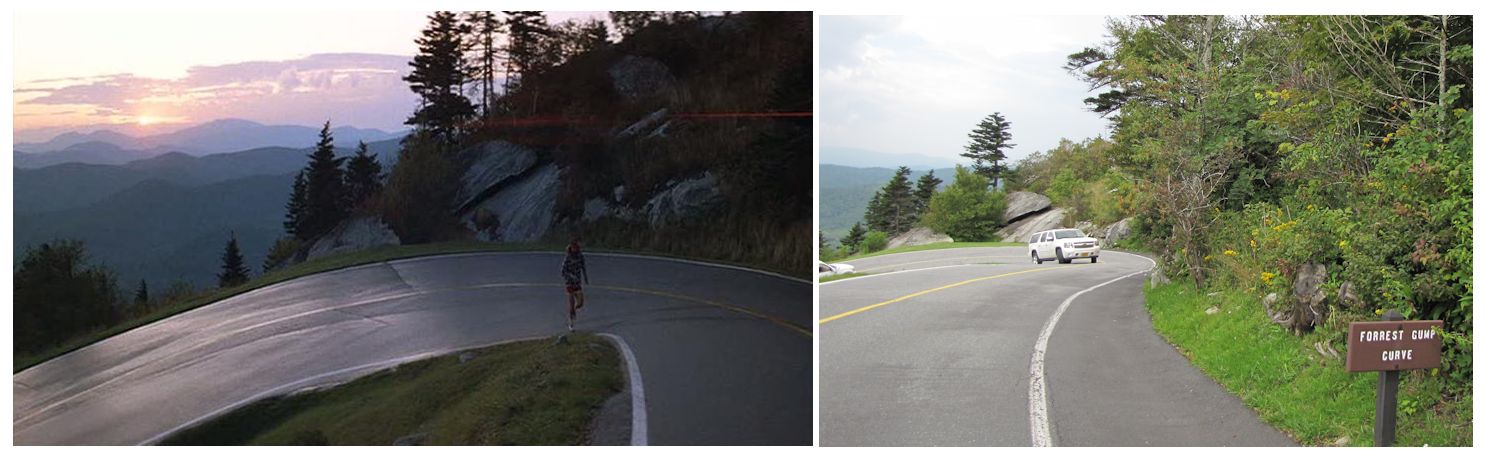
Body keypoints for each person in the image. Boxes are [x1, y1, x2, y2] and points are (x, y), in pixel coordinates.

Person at [561, 238, 589, 332]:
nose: (574, 249)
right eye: (573, 248)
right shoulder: (567, 257)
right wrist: (570, 276)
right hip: (569, 283)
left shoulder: (580, 256)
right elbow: (563, 271)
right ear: (570, 248)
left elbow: (583, 266)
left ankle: (575, 309)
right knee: (571, 302)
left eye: (576, 248)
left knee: (581, 302)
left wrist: (585, 278)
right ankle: (571, 322)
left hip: (577, 283)